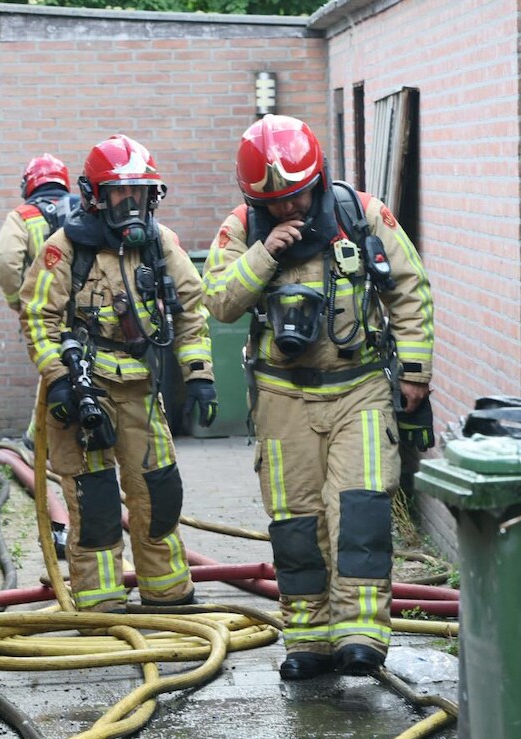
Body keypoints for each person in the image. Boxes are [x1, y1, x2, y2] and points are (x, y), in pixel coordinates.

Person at [201, 115, 435, 680]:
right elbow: (218, 300)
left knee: (360, 510)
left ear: (317, 177)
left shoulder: (362, 214)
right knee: (297, 521)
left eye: (297, 196)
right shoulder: (241, 229)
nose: (288, 209)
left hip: (359, 388)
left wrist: (415, 372)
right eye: (274, 202)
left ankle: (362, 634)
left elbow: (409, 288)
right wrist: (266, 255)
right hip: (282, 398)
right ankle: (307, 637)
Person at [17, 134, 218, 612]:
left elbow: (190, 310)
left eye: (140, 194)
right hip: (85, 389)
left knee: (159, 491)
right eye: (119, 194)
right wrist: (58, 379)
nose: (131, 205)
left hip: (140, 390)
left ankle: (167, 593)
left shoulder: (161, 244)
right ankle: (102, 602)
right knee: (95, 499)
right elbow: (37, 316)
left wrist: (199, 375)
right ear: (94, 196)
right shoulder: (64, 248)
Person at [0, 154, 80, 449]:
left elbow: (6, 263)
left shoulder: (22, 215)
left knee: (52, 369)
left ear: (28, 183)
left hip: (45, 310)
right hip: (88, 309)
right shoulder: (84, 208)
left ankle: (39, 442)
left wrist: (17, 300)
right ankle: (40, 438)